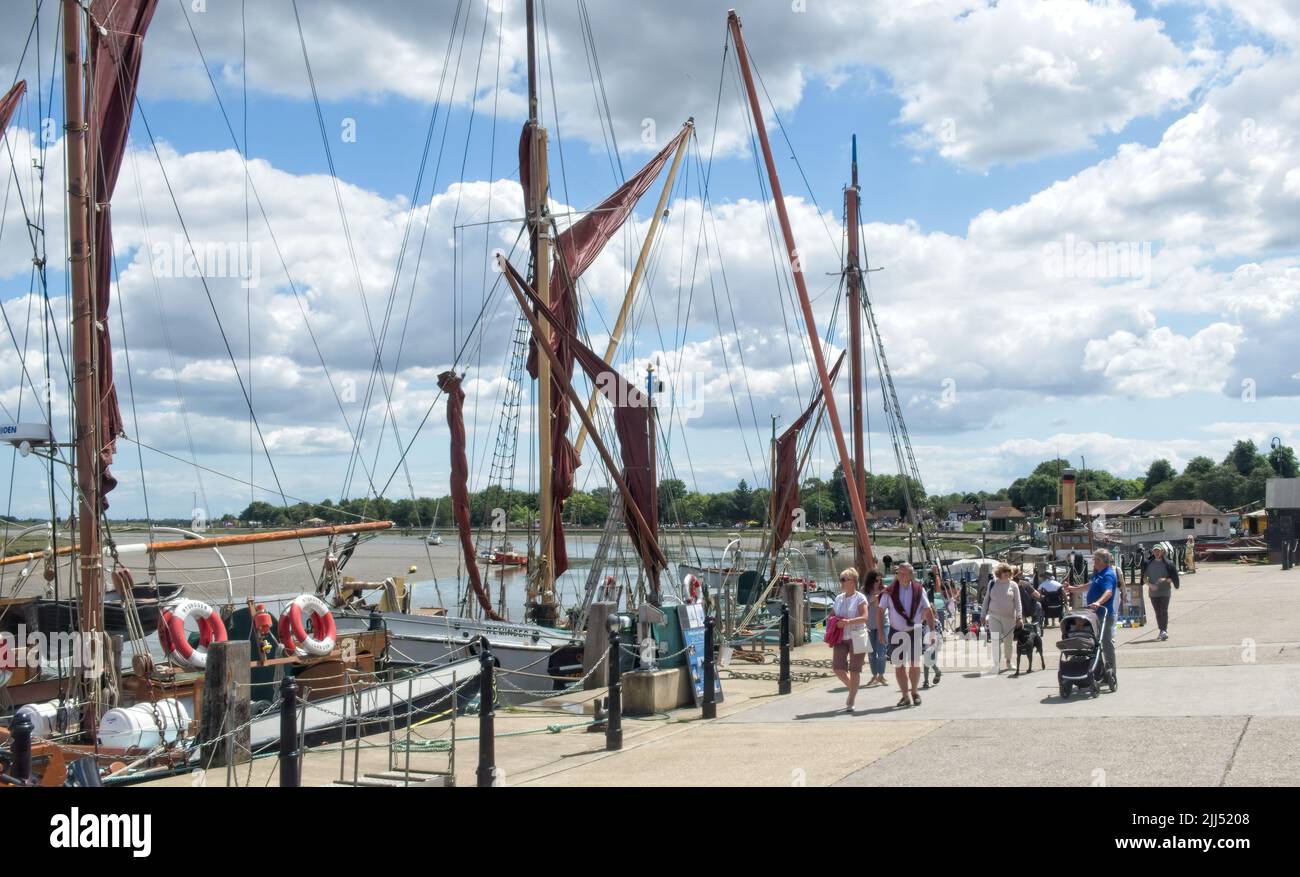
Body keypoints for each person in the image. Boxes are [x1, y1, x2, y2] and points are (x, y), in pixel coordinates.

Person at [878, 562, 936, 707]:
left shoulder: (918, 589)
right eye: (898, 573)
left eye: (903, 573)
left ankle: (915, 692)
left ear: (911, 575)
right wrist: (880, 631)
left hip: (914, 631)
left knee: (915, 664)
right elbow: (880, 612)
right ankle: (905, 695)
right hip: (896, 632)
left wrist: (932, 632)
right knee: (899, 666)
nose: (900, 575)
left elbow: (928, 611)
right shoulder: (889, 592)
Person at [1064, 548, 1118, 675]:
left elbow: (1108, 592)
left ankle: (1111, 671)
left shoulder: (1108, 574)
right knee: (1092, 643)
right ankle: (1097, 669)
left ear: (1103, 561)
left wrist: (1098, 602)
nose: (1094, 562)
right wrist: (1073, 589)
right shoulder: (1098, 573)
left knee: (1105, 642)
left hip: (1103, 614)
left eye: (1096, 560)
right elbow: (1090, 585)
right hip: (1093, 615)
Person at [831, 567, 870, 710]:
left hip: (858, 636)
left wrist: (848, 622)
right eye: (840, 579)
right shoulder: (838, 598)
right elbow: (832, 615)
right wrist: (831, 623)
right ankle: (852, 687)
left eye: (843, 580)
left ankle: (851, 698)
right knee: (837, 668)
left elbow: (865, 617)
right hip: (841, 636)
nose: (841, 582)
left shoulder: (860, 598)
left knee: (854, 670)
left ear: (852, 582)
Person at [982, 564, 1024, 673]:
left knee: (1008, 641)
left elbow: (1018, 602)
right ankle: (996, 664)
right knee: (995, 640)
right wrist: (982, 615)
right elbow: (986, 600)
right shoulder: (992, 583)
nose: (1006, 573)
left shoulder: (1013, 585)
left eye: (1008, 571)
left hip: (1009, 618)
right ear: (999, 573)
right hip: (994, 616)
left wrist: (1019, 617)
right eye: (1004, 571)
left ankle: (1009, 661)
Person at [1141, 544, 1180, 641]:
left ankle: (1164, 630)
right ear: (1152, 552)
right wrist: (1150, 585)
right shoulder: (1148, 563)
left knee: (1163, 610)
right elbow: (1144, 578)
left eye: (1158, 551)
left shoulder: (1169, 563)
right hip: (1153, 592)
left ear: (1162, 552)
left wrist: (1165, 579)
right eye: (1155, 551)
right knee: (1157, 612)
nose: (1157, 553)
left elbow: (1173, 578)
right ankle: (1161, 630)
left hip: (1165, 591)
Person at [864, 569, 889, 687]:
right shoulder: (864, 591)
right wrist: (871, 601)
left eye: (880, 580)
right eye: (876, 580)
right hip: (869, 626)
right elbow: (861, 609)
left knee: (882, 651)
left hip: (883, 624)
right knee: (871, 653)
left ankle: (881, 675)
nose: (878, 582)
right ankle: (874, 675)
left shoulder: (885, 590)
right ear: (870, 580)